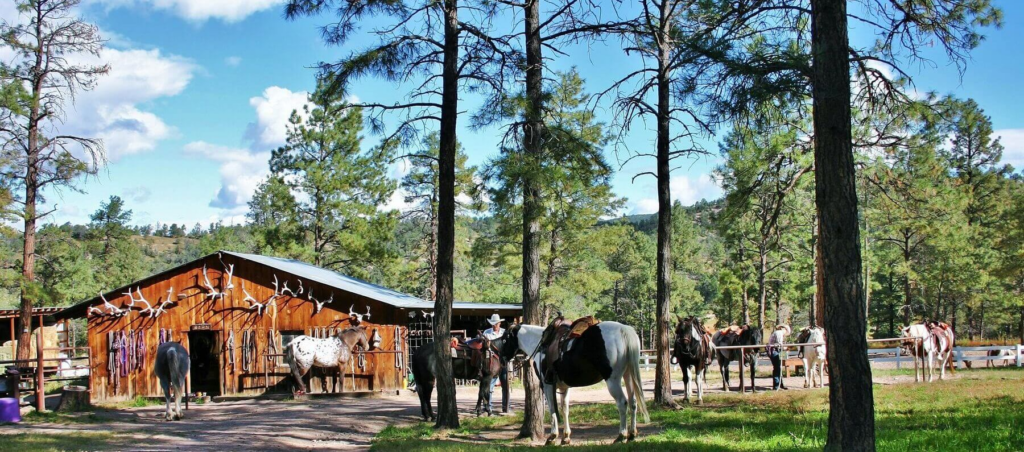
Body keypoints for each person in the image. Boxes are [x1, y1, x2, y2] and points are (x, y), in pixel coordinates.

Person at [481, 314, 508, 413]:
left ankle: (505, 407)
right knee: (490, 385)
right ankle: (488, 406)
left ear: (499, 323)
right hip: (491, 364)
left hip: (503, 362)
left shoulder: (505, 333)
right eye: (493, 324)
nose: (494, 325)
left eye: (496, 323)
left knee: (505, 386)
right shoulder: (486, 333)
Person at [767, 324, 791, 391]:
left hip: (776, 351)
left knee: (779, 368)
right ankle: (776, 385)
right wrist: (785, 347)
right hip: (774, 351)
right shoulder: (779, 333)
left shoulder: (778, 333)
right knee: (777, 368)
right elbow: (779, 343)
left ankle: (780, 384)